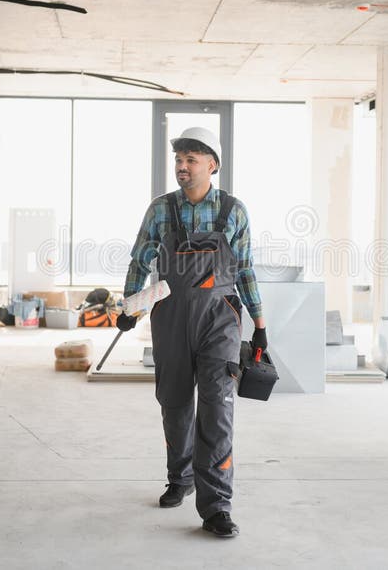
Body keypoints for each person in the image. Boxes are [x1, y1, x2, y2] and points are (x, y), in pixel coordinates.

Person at [118, 126, 267, 539]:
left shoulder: (233, 211)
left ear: (212, 165)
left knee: (217, 409)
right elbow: (138, 263)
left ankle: (217, 505)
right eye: (178, 160)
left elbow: (246, 269)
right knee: (175, 403)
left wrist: (260, 323)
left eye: (191, 160)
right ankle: (179, 478)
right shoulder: (161, 209)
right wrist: (129, 307)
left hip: (219, 319)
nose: (182, 167)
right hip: (170, 317)